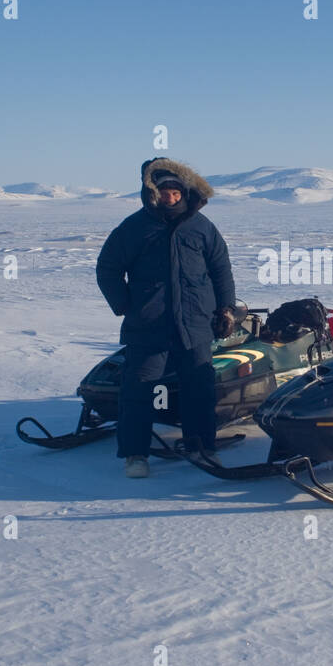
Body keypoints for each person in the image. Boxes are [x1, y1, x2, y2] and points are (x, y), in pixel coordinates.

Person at [96, 158, 237, 478]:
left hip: (195, 323)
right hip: (148, 325)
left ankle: (202, 446)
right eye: (162, 191)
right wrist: (124, 305)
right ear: (151, 193)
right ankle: (135, 454)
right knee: (138, 390)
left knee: (199, 388)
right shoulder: (134, 228)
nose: (169, 197)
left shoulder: (202, 227)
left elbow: (221, 270)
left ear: (184, 192)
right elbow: (108, 269)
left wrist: (225, 308)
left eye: (174, 191)